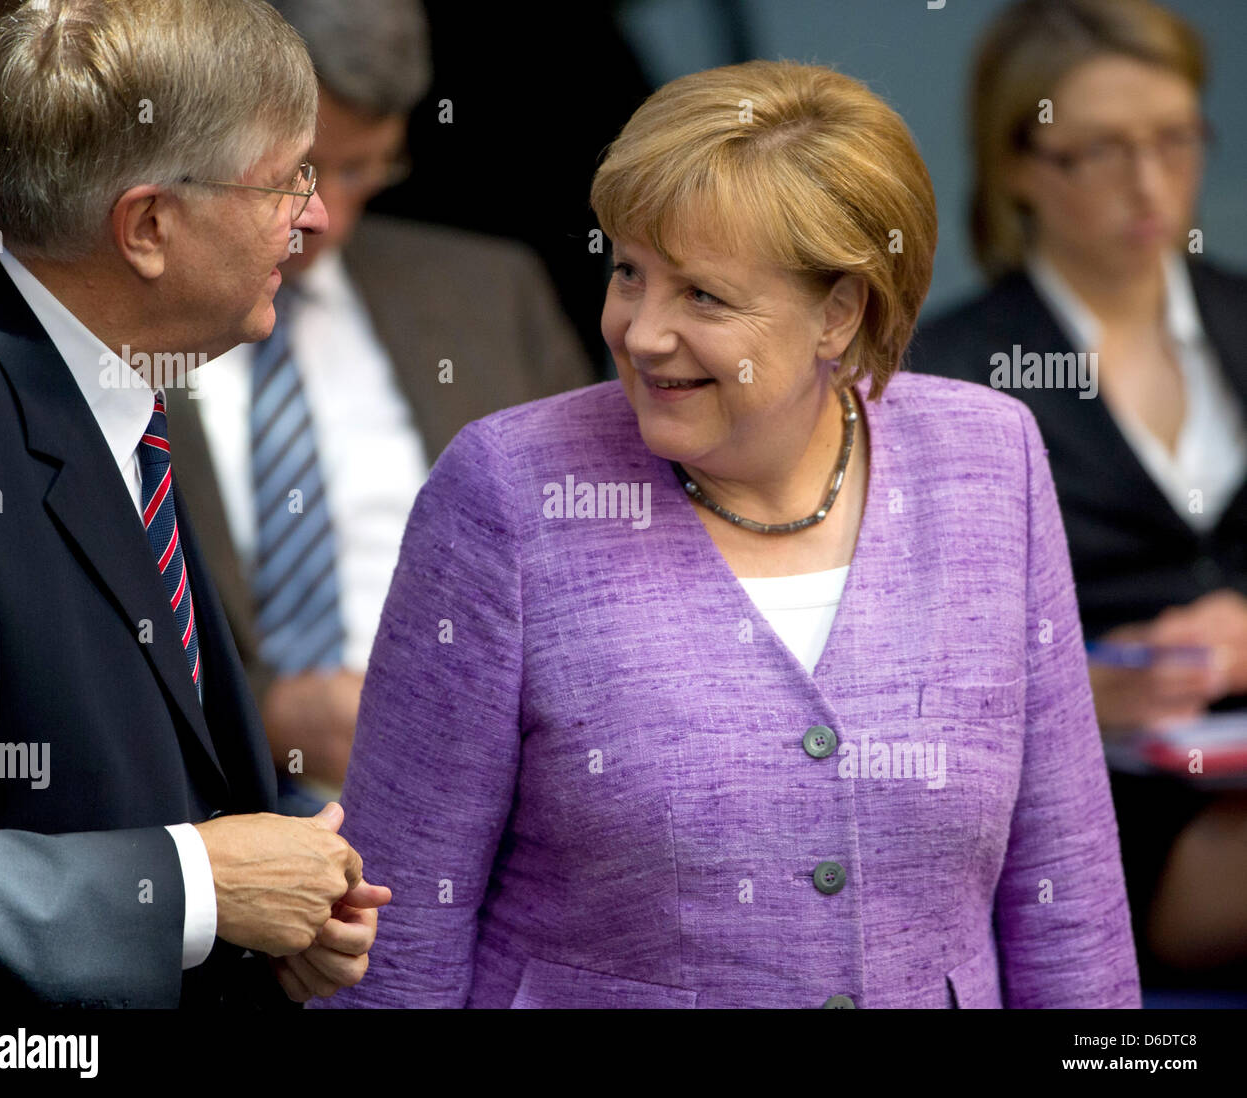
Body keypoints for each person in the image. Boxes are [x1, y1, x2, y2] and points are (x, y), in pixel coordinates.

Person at [311, 59, 1140, 1009]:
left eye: (702, 296)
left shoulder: (991, 460)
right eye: (629, 273)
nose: (642, 331)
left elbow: (1067, 893)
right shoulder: (506, 492)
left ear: (840, 310)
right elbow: (398, 924)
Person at [0, 0, 388, 1007]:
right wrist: (193, 890)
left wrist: (287, 893)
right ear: (147, 227)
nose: (315, 216)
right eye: (287, 179)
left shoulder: (102, 376)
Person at [166, 0, 594, 815]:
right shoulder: (123, 311)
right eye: (296, 170)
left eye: (363, 169)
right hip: (217, 813)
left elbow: (598, 562)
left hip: (504, 785)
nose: (323, 214)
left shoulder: (489, 295)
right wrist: (264, 712)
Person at [908, 0, 1247, 991]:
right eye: (1097, 152)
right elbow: (914, 659)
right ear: (1016, 165)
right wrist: (1084, 694)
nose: (1149, 184)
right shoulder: (947, 376)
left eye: (1173, 139)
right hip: (1102, 795)